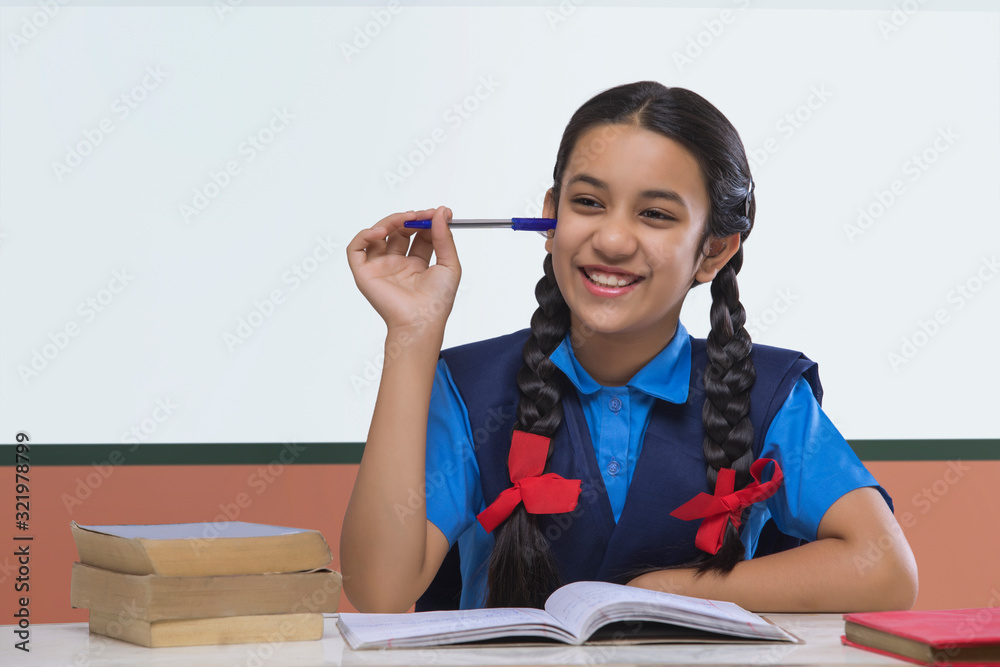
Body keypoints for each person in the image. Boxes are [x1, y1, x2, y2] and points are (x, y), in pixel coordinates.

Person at [342, 81, 918, 614]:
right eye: (588, 203)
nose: (613, 239)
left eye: (655, 214)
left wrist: (658, 593)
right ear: (549, 219)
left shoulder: (767, 394)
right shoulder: (471, 388)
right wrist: (412, 333)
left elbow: (886, 568)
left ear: (714, 250)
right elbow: (378, 590)